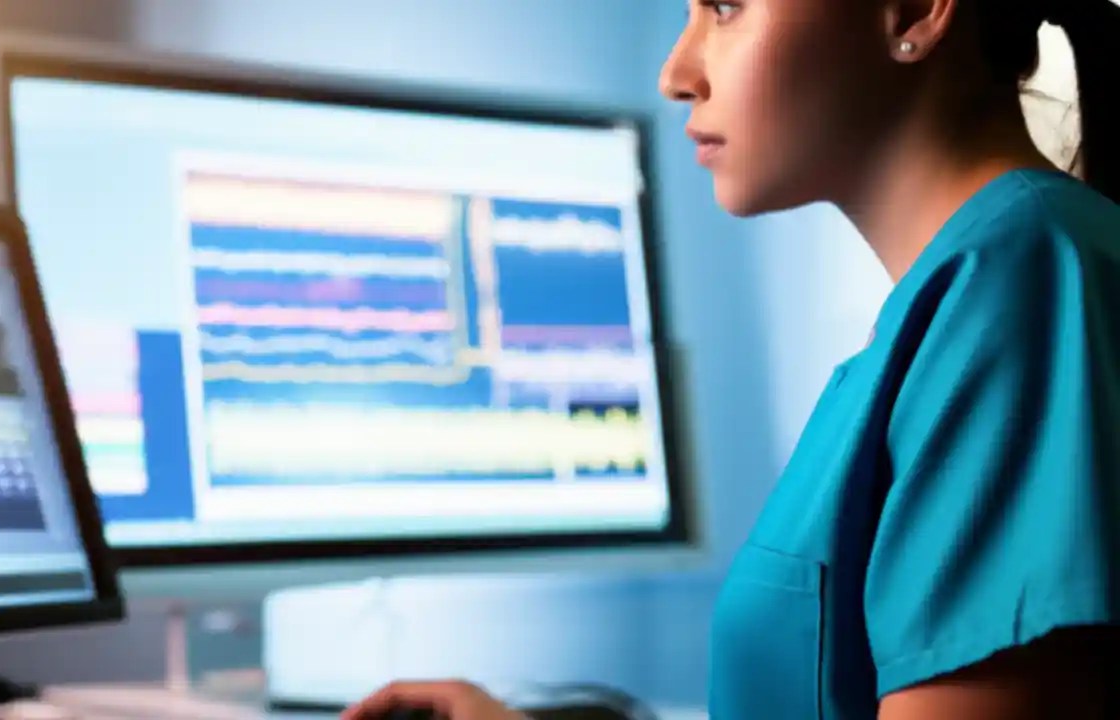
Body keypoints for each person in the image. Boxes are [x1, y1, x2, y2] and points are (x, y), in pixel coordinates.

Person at [342, 0, 1120, 717]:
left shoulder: (1025, 284)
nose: (677, 73)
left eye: (725, 7)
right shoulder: (983, 290)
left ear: (912, 10)